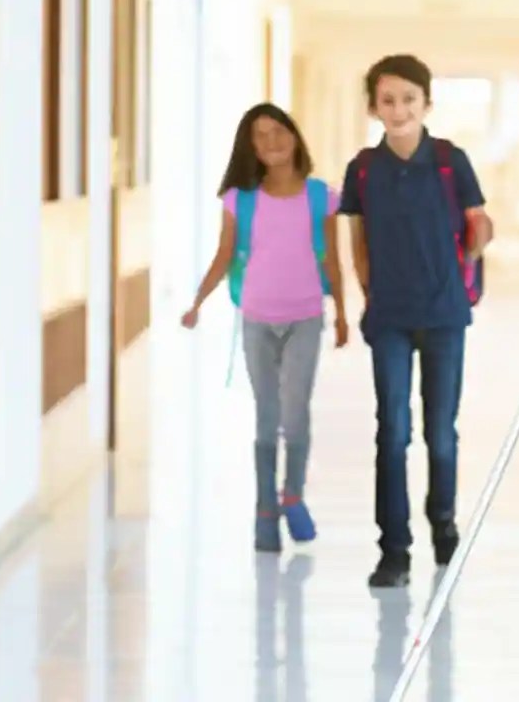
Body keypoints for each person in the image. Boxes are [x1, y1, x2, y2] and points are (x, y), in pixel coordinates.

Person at [338, 54, 494, 588]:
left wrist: (468, 261)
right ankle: (394, 549)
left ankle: (444, 527)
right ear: (373, 107)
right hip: (390, 318)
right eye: (388, 100)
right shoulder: (362, 169)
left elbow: (478, 224)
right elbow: (358, 243)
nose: (399, 109)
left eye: (409, 98)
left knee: (441, 433)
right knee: (393, 432)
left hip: (446, 313)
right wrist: (370, 293)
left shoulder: (451, 161)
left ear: (427, 103)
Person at [181, 102, 348, 553]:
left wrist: (344, 313)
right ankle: (264, 510)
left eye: (279, 132)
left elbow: (331, 258)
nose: (272, 142)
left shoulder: (321, 197)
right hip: (256, 317)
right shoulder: (241, 200)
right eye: (260, 136)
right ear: (250, 147)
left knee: (296, 412)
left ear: (294, 137)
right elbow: (224, 254)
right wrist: (197, 302)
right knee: (266, 415)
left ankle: (291, 494)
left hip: (306, 317)